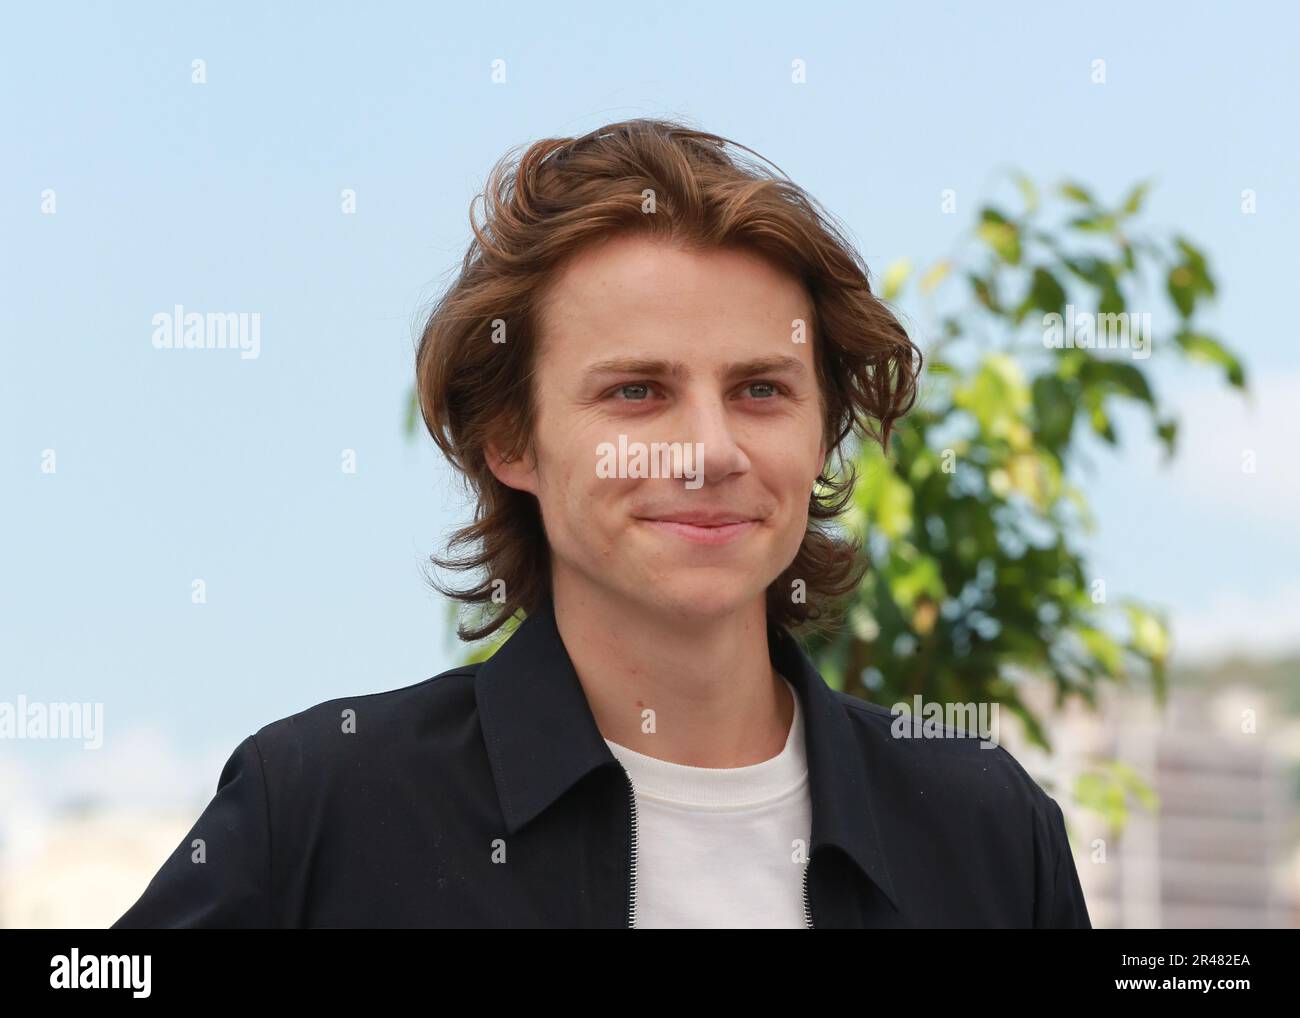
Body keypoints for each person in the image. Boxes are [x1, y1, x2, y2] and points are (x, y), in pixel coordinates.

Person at [112, 118, 1092, 929]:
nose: (709, 450)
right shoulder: (322, 809)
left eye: (760, 389)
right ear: (510, 440)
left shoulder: (986, 828)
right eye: (636, 390)